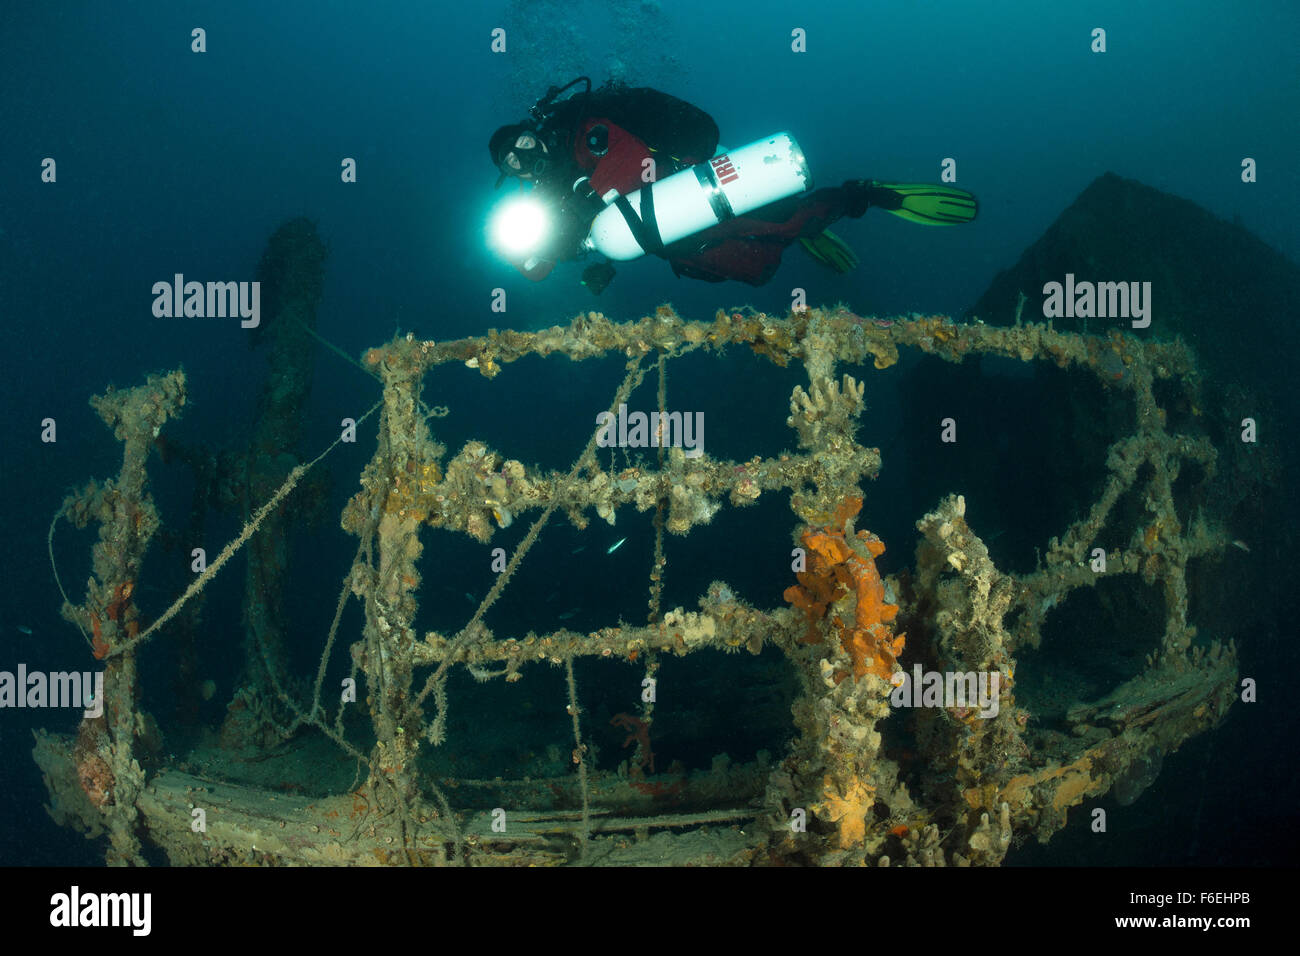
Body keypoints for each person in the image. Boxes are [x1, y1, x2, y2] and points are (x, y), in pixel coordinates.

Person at [488, 77, 977, 292]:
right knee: (760, 270)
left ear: (536, 132)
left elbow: (642, 156)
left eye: (524, 143)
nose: (524, 158)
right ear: (508, 175)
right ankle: (796, 232)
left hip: (701, 191)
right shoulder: (541, 201)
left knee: (788, 224)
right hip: (673, 236)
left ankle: (859, 195)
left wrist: (596, 200)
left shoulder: (587, 128)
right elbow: (563, 252)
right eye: (512, 162)